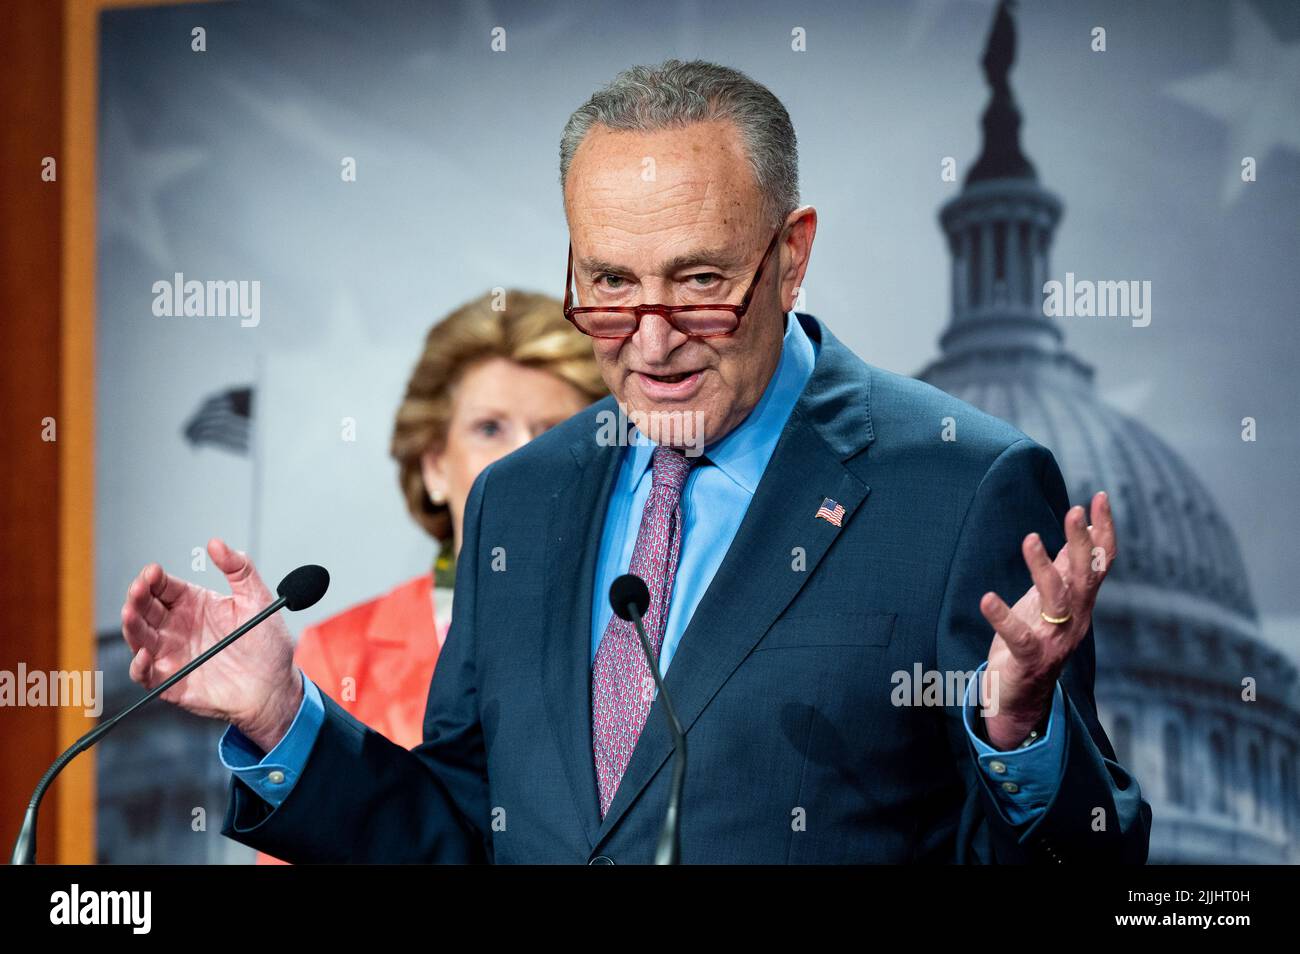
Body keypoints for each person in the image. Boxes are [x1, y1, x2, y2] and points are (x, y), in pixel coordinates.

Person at [121, 59, 1151, 864]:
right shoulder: (516, 502)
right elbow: (468, 831)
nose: (649, 343)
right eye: (608, 284)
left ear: (792, 254)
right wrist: (282, 717)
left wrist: (1018, 733)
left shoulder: (961, 486)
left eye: (699, 282)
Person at [254, 291, 605, 864]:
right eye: (490, 428)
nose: (521, 457)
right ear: (435, 465)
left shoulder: (634, 629)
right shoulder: (341, 653)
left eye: (550, 431)